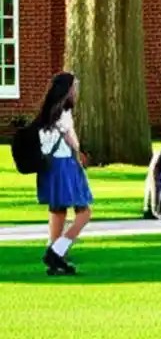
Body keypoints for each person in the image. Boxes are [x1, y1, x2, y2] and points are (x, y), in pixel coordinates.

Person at [33, 72, 92, 276]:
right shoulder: (64, 114)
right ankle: (57, 251)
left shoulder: (46, 114)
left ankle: (55, 254)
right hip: (65, 165)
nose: (76, 92)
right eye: (74, 88)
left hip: (49, 167)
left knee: (57, 210)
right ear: (67, 91)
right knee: (84, 213)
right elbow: (72, 141)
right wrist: (81, 155)